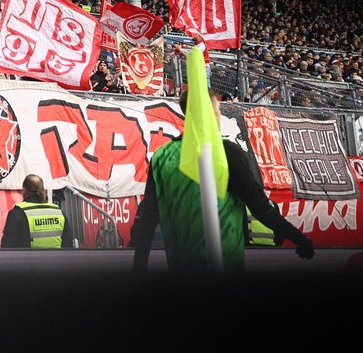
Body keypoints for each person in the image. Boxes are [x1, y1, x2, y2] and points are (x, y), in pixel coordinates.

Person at [128, 87, 315, 273]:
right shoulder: (226, 152)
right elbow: (261, 207)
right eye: (218, 110)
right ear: (208, 113)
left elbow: (149, 218)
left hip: (181, 275)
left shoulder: (161, 156)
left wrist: (139, 270)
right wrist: (300, 239)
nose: (219, 116)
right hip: (226, 271)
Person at [0, 174, 73, 248]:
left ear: (24, 190)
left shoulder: (16, 213)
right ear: (43, 189)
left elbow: (7, 245)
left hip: (29, 259)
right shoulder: (58, 212)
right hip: (57, 258)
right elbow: (68, 242)